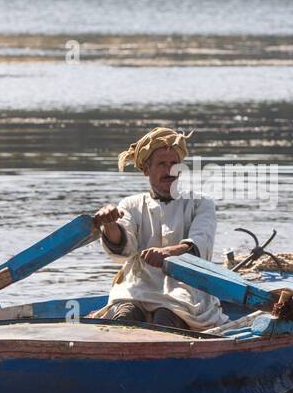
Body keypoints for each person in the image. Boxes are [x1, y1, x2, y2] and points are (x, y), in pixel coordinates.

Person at [90, 126, 228, 331]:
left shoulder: (200, 203)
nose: (170, 170)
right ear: (146, 169)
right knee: (124, 316)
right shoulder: (130, 204)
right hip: (136, 288)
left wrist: (168, 253)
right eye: (162, 164)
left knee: (166, 318)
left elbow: (201, 243)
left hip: (186, 290)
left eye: (174, 164)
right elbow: (123, 247)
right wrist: (109, 224)